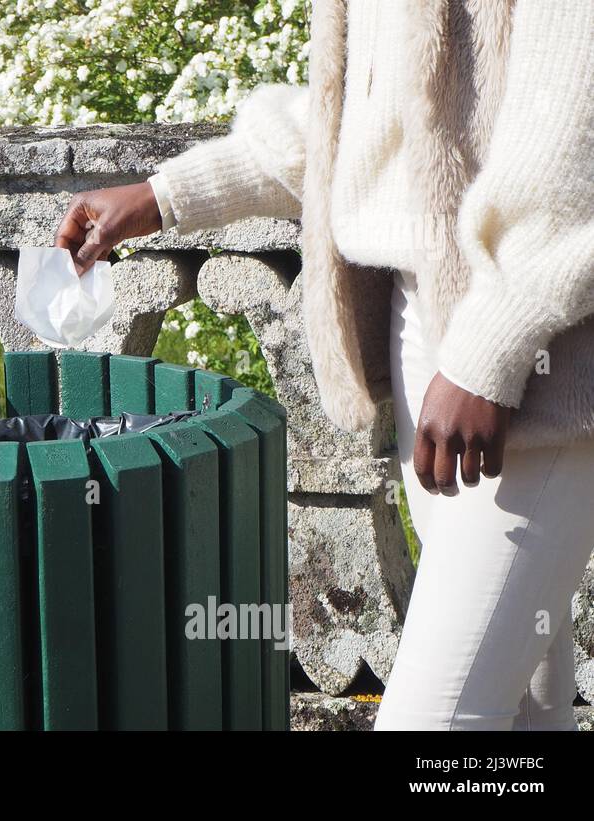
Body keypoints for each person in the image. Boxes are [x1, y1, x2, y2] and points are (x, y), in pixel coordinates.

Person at [54, 0, 594, 730]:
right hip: (427, 317)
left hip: (545, 342)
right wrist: (165, 196)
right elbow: (362, 114)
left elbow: (577, 119)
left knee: (435, 716)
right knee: (521, 698)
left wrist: (491, 345)